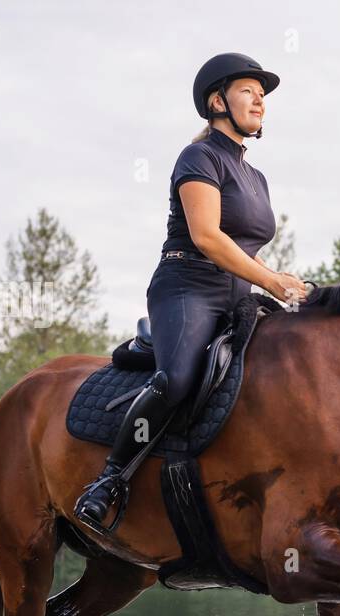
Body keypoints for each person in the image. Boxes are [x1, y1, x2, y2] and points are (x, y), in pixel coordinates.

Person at [75, 52, 307, 534]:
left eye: (262, 92)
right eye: (248, 89)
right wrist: (270, 282)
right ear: (217, 101)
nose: (260, 98)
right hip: (186, 287)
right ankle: (110, 480)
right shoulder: (198, 157)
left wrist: (284, 281)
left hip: (238, 293)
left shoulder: (256, 177)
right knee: (177, 378)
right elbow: (207, 236)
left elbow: (245, 248)